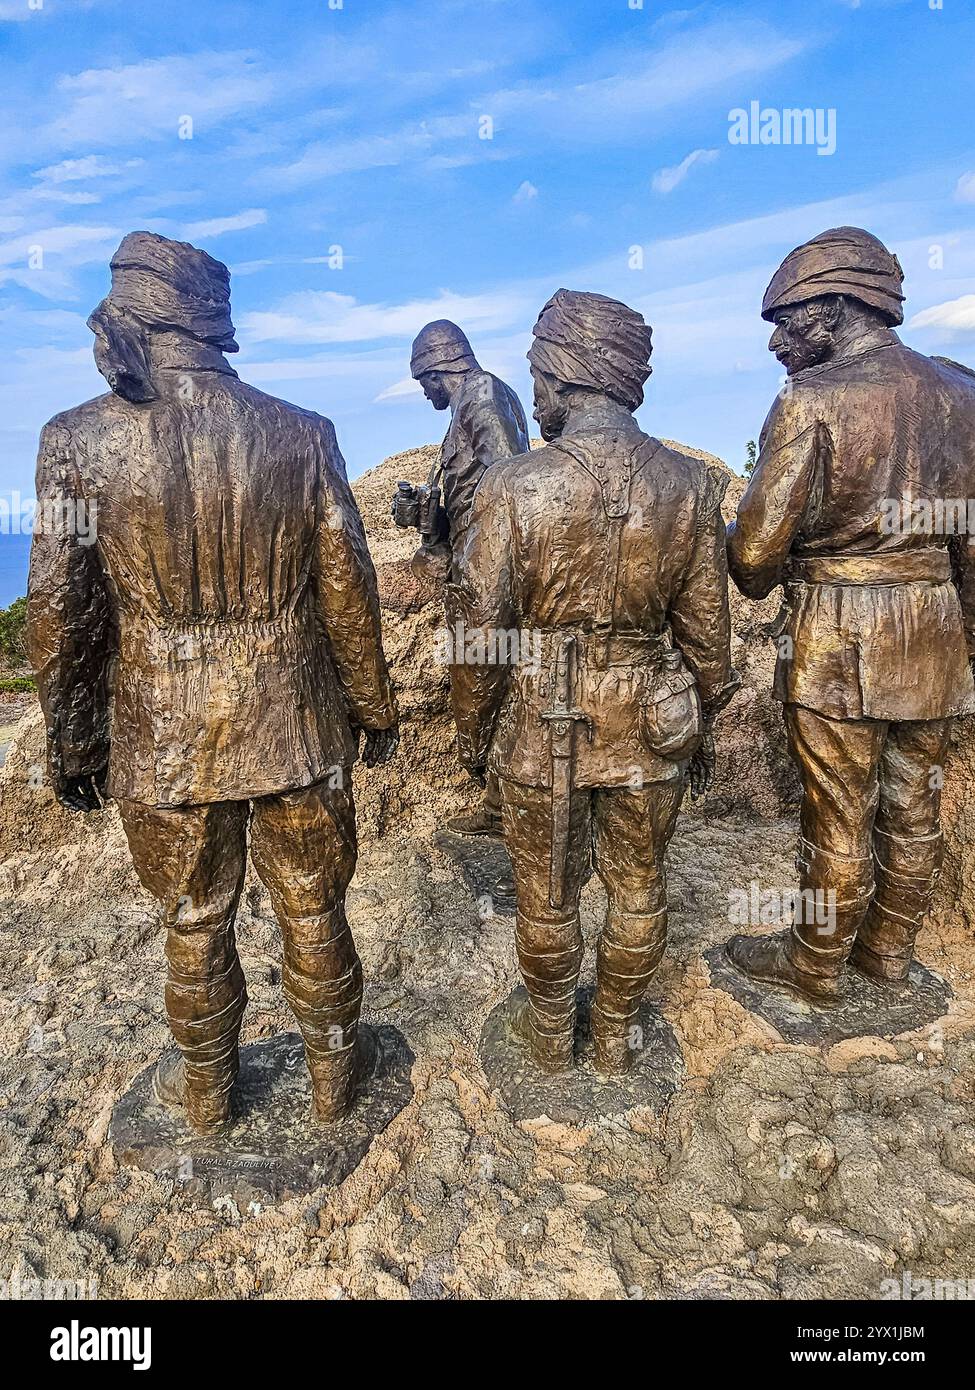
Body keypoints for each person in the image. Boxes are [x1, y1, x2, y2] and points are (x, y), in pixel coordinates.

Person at [28, 232, 399, 1132]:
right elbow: (347, 587)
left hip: (163, 730)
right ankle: (332, 1086)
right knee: (314, 909)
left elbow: (61, 609)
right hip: (295, 719)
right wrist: (370, 704)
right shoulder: (303, 433)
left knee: (193, 923)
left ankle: (208, 1100)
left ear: (136, 316)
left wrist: (73, 740)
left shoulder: (75, 440)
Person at [449, 289, 739, 1073]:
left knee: (547, 896)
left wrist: (473, 734)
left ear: (563, 375)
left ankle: (550, 1041)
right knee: (639, 885)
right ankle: (613, 1038)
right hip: (650, 719)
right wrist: (701, 719)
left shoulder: (511, 484)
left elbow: (479, 633)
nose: (534, 394)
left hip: (543, 720)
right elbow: (707, 638)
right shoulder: (690, 484)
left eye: (537, 376)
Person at [726, 227, 975, 1003]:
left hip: (839, 632)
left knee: (836, 813)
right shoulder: (963, 391)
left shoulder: (809, 400)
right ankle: (887, 956)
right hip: (936, 632)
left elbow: (753, 562)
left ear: (832, 307)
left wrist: (730, 534)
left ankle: (814, 966)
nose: (774, 342)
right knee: (912, 808)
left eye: (784, 320)